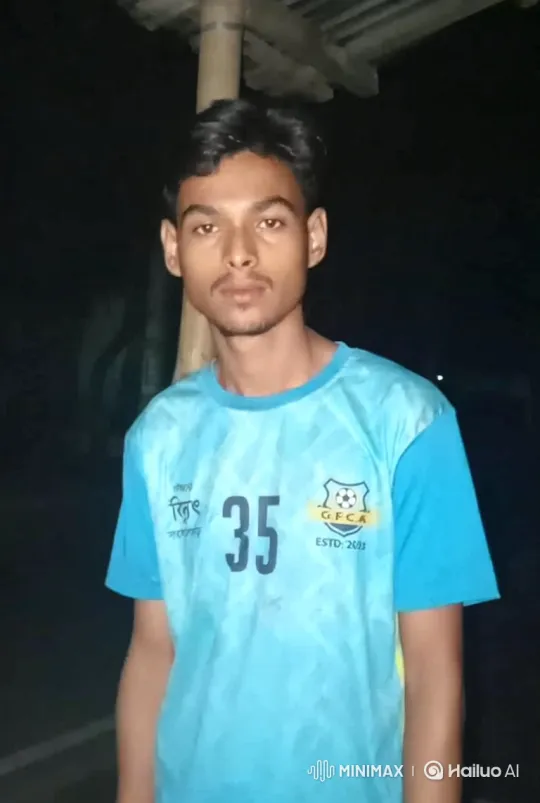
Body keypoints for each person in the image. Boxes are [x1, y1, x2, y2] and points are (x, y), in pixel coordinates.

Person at [105, 98, 499, 803]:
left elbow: (437, 674)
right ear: (173, 248)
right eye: (206, 226)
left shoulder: (408, 422)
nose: (239, 253)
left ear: (314, 236)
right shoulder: (157, 439)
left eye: (270, 220)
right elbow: (152, 651)